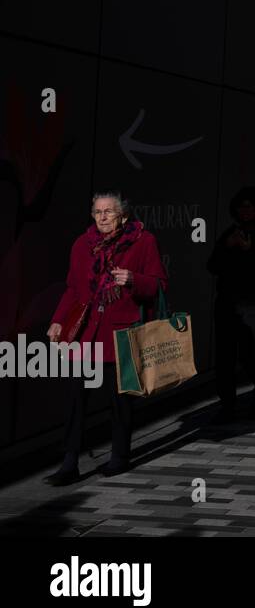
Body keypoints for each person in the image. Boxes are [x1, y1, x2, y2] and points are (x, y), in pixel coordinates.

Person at [45, 192, 167, 484]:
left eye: (109, 212)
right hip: (85, 335)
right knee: (75, 401)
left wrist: (134, 280)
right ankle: (70, 462)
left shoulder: (143, 241)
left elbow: (160, 284)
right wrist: (57, 321)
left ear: (123, 216)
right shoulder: (82, 245)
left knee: (119, 401)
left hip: (120, 334)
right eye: (97, 212)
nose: (102, 217)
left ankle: (119, 456)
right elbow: (73, 289)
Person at [208, 186, 255, 421]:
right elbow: (212, 266)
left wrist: (249, 251)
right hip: (227, 302)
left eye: (250, 206)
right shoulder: (231, 233)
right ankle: (227, 403)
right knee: (224, 356)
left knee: (251, 353)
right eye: (241, 206)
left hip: (252, 303)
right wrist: (228, 246)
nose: (245, 211)